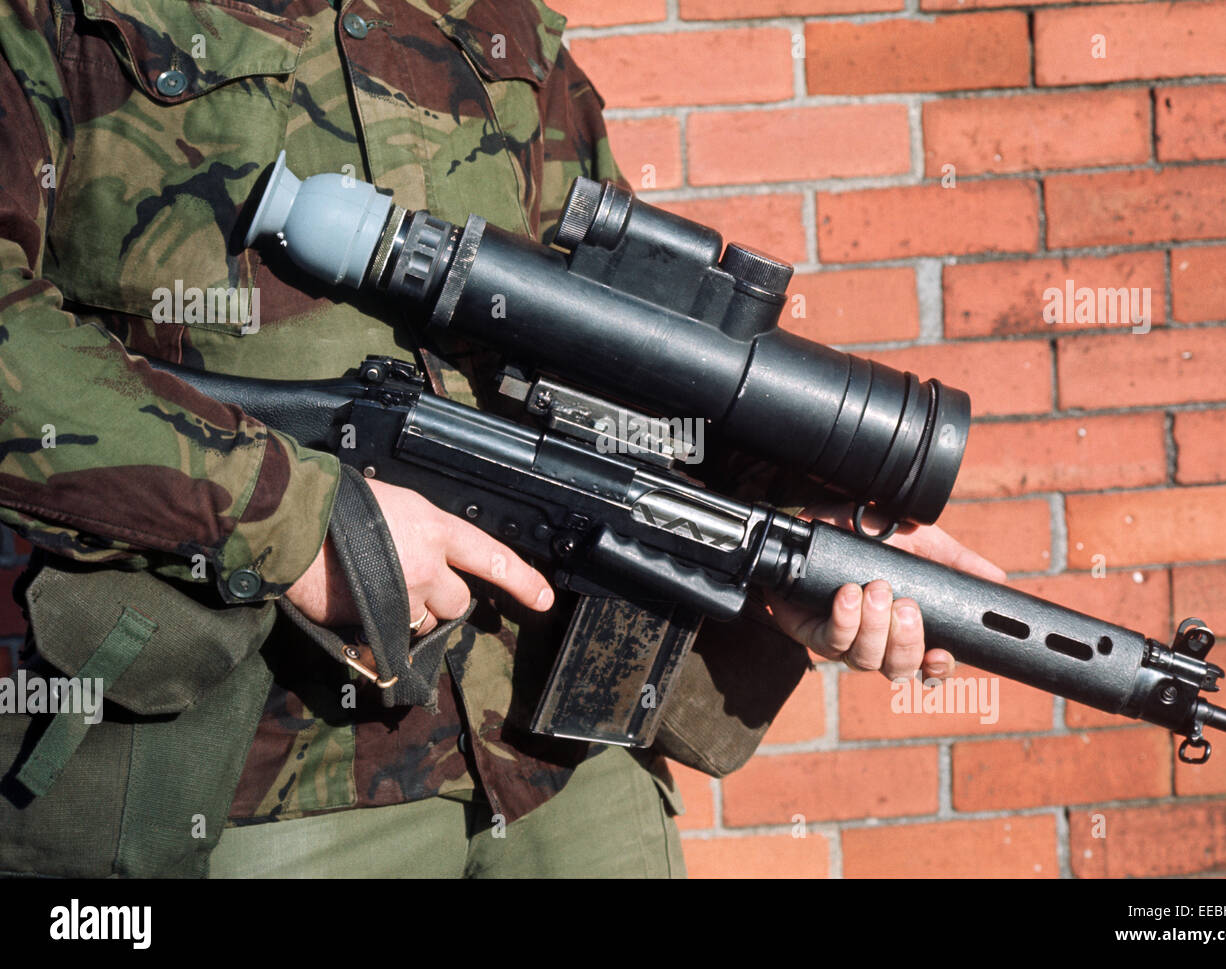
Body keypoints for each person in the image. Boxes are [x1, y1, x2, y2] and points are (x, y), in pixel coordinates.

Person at [0, 0, 1004, 877]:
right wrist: (296, 521)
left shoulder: (489, 14)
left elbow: (632, 368)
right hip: (257, 777)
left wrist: (798, 535)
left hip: (565, 768)